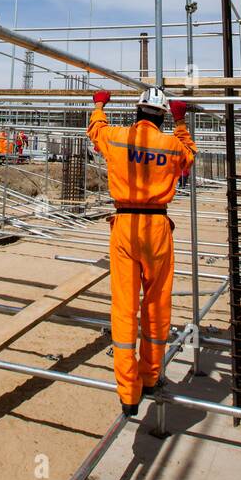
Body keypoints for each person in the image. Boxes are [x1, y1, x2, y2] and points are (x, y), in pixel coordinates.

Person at [87, 87, 196, 416]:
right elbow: (189, 155)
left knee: (123, 306)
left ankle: (129, 391)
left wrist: (99, 104)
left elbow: (96, 131)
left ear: (137, 112)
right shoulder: (171, 144)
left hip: (125, 225)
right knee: (157, 303)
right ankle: (150, 376)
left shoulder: (118, 138)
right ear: (162, 116)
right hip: (157, 227)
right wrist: (181, 120)